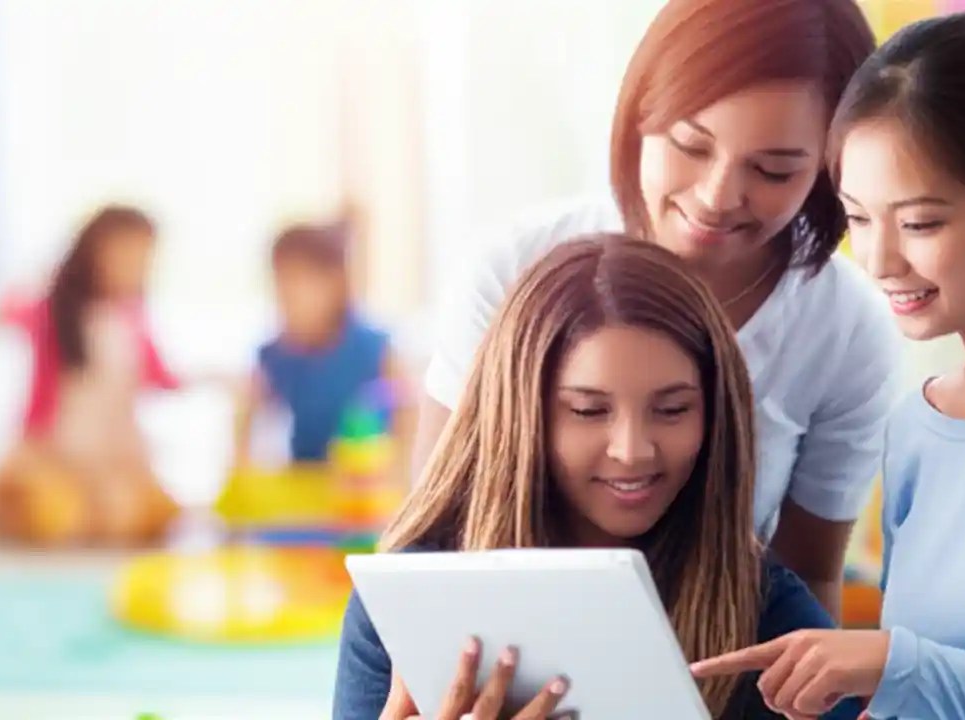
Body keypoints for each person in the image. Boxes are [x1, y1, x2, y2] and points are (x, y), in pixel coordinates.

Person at [415, 0, 900, 616]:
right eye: (691, 146)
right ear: (641, 110)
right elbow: (431, 547)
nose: (718, 197)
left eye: (773, 170)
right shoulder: (513, 268)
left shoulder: (846, 331)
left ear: (832, 172)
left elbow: (806, 589)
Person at [691, 11, 965, 718]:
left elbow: (918, 676)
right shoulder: (920, 425)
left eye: (920, 223)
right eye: (858, 217)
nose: (880, 262)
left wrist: (897, 666)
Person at [334, 236, 862, 720]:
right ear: (524, 415)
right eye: (588, 411)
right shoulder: (406, 603)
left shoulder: (761, 608)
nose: (632, 451)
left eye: (673, 410)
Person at [0, 206, 181, 546]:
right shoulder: (55, 312)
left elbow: (163, 376)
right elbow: (9, 312)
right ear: (92, 254)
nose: (136, 267)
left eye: (143, 258)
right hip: (57, 451)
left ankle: (92, 507)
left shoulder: (133, 319)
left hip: (114, 454)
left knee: (153, 514)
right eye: (125, 254)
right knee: (51, 514)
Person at [232, 220, 410, 469]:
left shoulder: (375, 348)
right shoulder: (274, 355)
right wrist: (241, 462)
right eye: (279, 281)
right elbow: (244, 419)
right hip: (306, 485)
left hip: (365, 484)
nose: (285, 295)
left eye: (297, 281)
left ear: (336, 284)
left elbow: (409, 418)